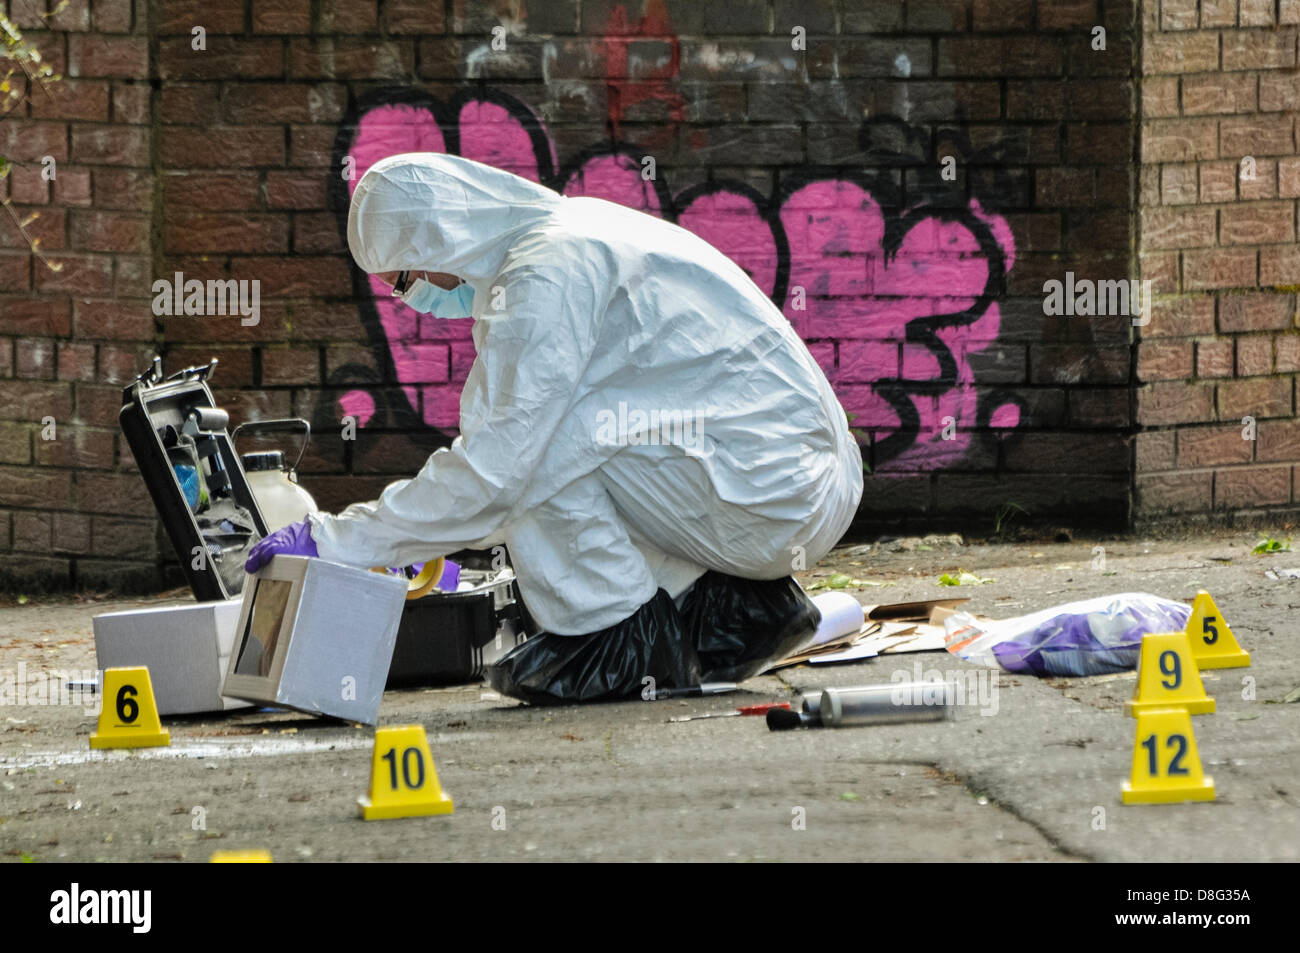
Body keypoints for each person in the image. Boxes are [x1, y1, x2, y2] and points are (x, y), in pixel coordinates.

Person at [245, 153, 864, 704]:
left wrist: (340, 542)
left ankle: (619, 646)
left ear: (442, 243)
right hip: (783, 479)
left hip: (769, 494)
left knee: (532, 449)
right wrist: (409, 540)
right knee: (559, 429)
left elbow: (495, 472)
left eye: (403, 280)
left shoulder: (544, 276)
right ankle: (736, 614)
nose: (409, 301)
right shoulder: (575, 234)